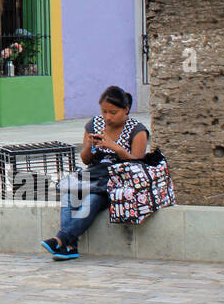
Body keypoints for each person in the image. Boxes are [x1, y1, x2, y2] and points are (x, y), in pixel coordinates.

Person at [42, 86, 149, 260]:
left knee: (92, 200)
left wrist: (115, 147)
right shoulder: (94, 124)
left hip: (116, 181)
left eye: (113, 112)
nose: (107, 117)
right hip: (92, 176)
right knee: (68, 197)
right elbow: (85, 160)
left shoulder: (138, 130)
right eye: (104, 111)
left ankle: (61, 239)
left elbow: (137, 164)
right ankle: (69, 246)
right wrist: (91, 147)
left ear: (126, 109)